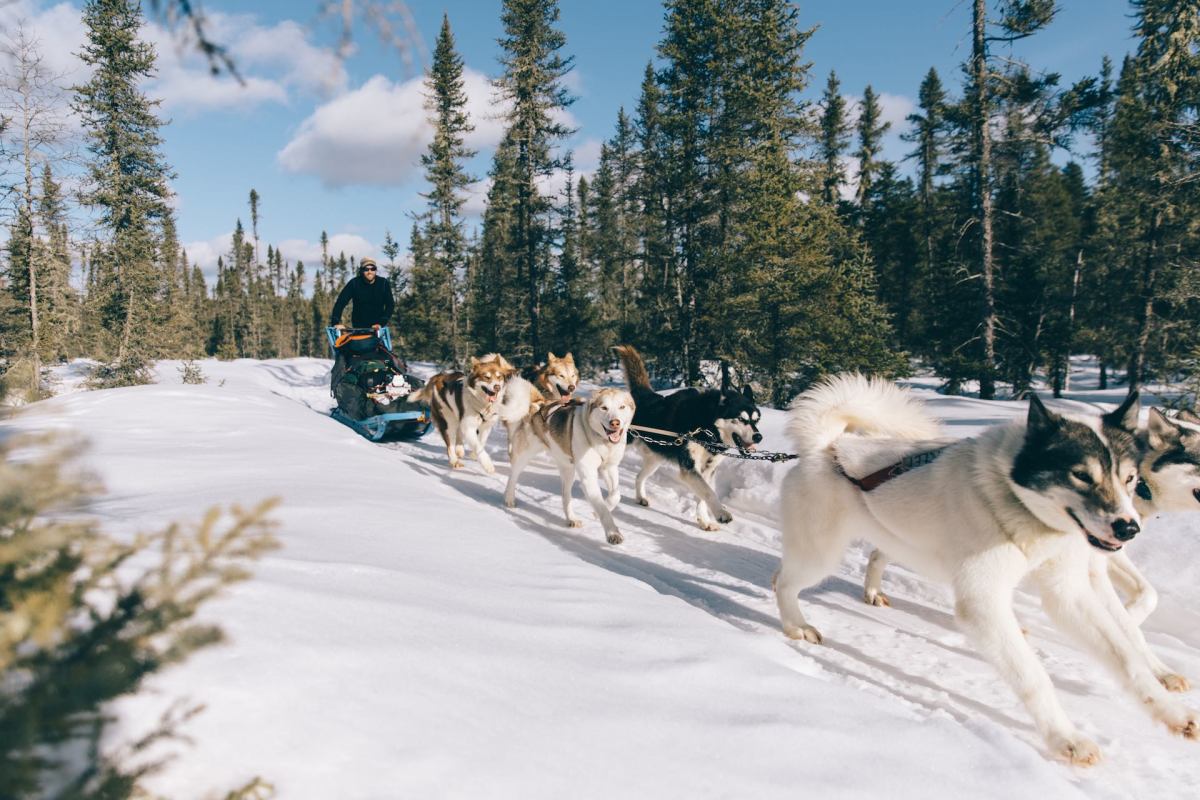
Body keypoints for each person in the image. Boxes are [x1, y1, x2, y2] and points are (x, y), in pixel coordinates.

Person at [329, 257, 404, 391]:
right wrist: (336, 322)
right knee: (351, 358)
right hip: (358, 330)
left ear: (375, 270)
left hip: (377, 329)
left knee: (386, 356)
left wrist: (381, 322)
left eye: (372, 268)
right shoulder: (354, 284)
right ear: (361, 271)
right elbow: (340, 302)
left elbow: (390, 305)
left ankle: (393, 384)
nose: (369, 271)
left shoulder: (383, 283)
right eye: (366, 269)